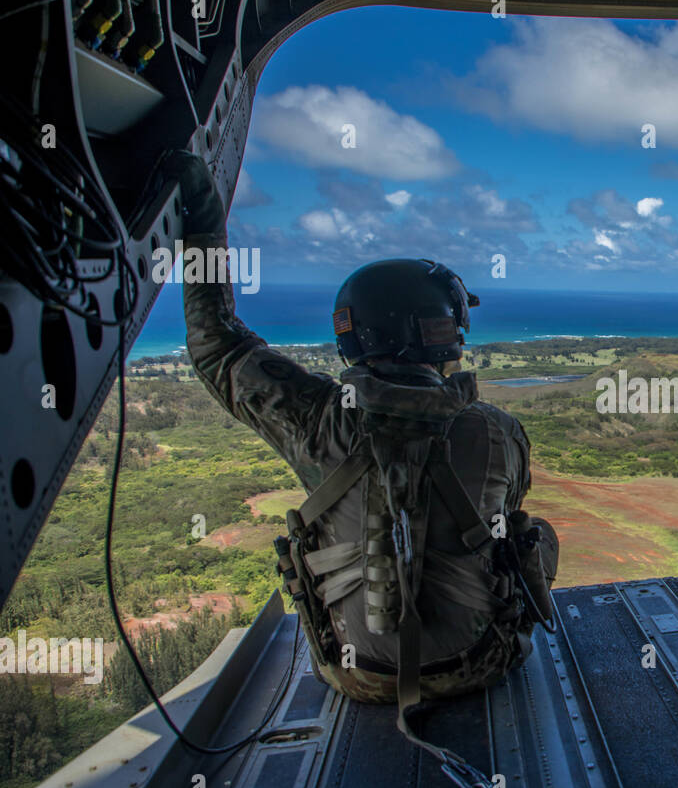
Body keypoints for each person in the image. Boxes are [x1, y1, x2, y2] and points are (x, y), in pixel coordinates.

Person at [166, 152, 558, 707]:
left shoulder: (316, 417)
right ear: (438, 333)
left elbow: (216, 344)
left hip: (355, 675)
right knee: (530, 527)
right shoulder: (498, 431)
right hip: (481, 666)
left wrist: (203, 225)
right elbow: (503, 522)